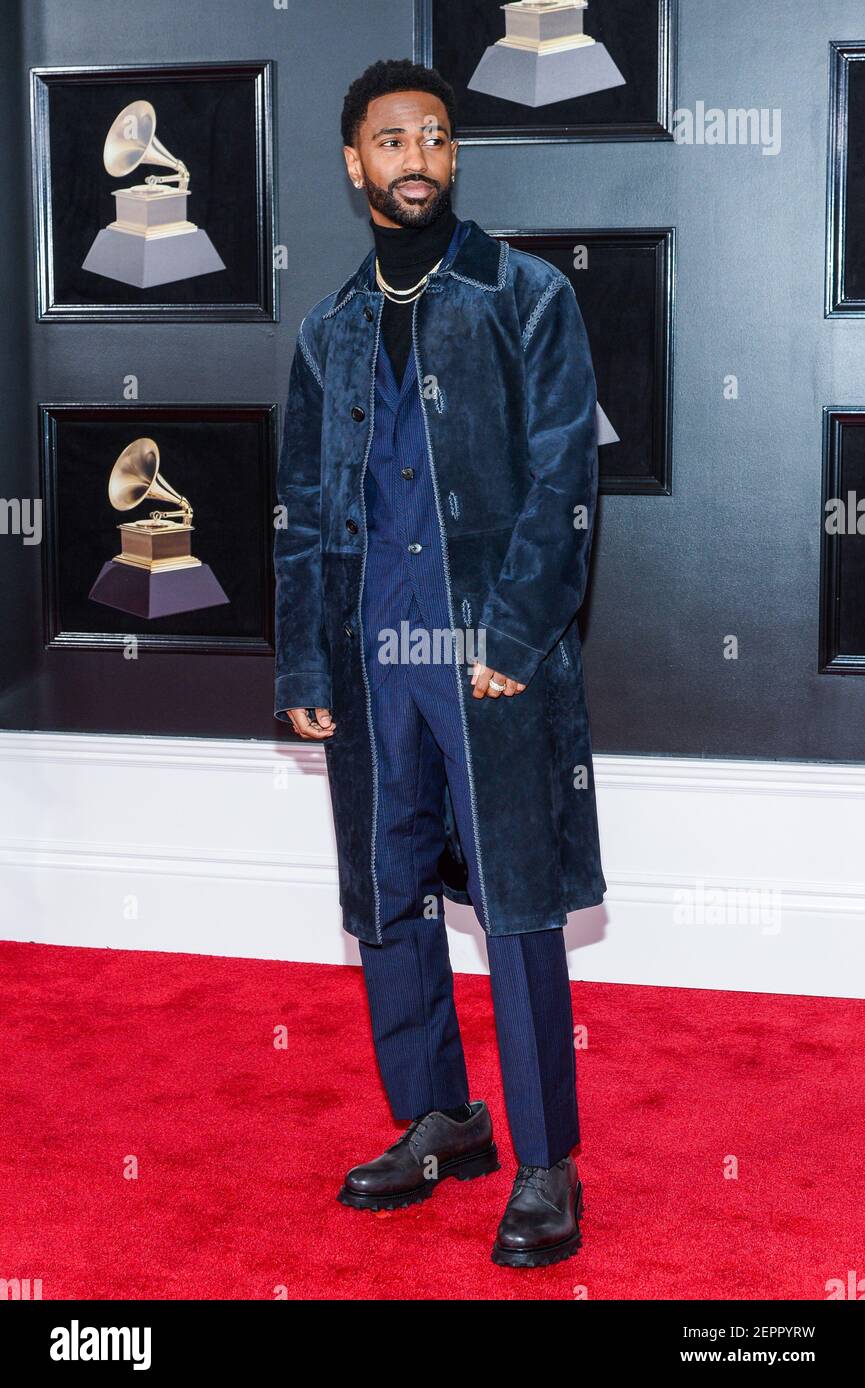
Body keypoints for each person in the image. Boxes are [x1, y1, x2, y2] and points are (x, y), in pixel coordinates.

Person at [274, 58, 606, 1269]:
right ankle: (441, 1121)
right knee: (390, 897)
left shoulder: (524, 297)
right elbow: (304, 507)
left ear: (452, 156)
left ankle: (544, 1164)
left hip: (486, 657)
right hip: (372, 662)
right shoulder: (326, 332)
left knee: (515, 905)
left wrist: (514, 637)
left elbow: (566, 479)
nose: (415, 155)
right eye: (389, 139)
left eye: (434, 135)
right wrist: (304, 665)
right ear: (354, 164)